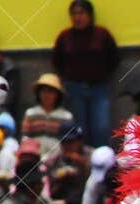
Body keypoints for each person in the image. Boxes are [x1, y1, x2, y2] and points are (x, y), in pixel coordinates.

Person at [51, 1, 118, 147]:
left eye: (81, 13)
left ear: (90, 15)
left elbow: (114, 59)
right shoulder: (65, 37)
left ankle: (102, 162)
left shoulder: (101, 34)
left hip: (98, 88)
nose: (77, 17)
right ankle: (82, 164)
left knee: (101, 127)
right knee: (79, 129)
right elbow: (57, 61)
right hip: (74, 89)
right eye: (74, 14)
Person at [22, 73, 73, 156]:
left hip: (57, 157)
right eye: (43, 91)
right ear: (39, 93)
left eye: (51, 91)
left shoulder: (66, 117)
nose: (46, 95)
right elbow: (25, 138)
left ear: (57, 94)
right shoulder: (31, 114)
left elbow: (68, 142)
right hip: (35, 155)